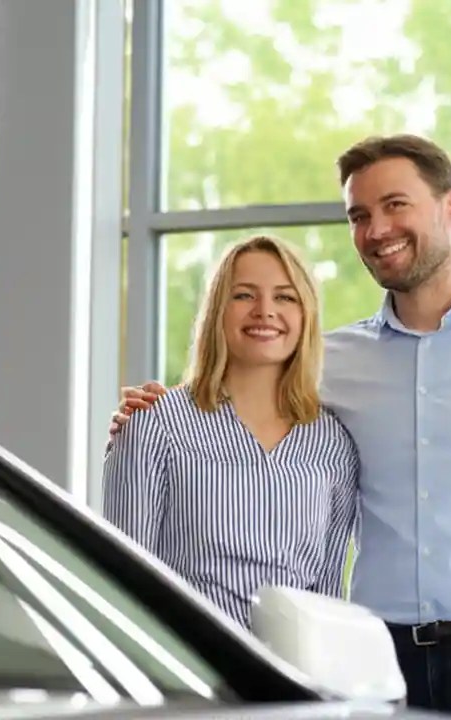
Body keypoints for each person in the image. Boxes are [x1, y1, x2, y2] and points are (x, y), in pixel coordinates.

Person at [110, 134, 451, 720]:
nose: (377, 229)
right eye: (359, 215)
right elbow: (246, 395)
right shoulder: (327, 363)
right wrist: (159, 409)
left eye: (396, 205)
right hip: (374, 664)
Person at [101, 234, 359, 630]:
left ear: (305, 315)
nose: (265, 311)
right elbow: (123, 584)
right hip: (191, 674)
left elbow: (326, 594)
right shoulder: (157, 425)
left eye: (285, 297)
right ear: (217, 311)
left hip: (293, 681)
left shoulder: (332, 444)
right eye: (244, 295)